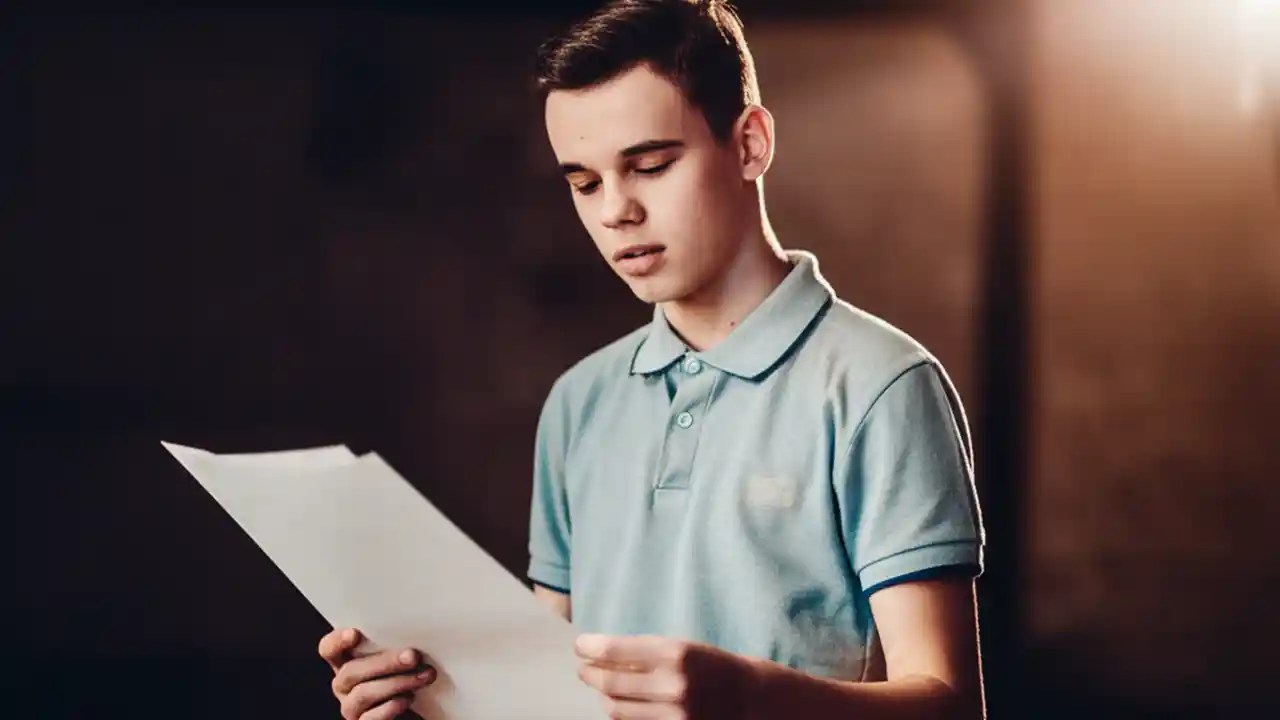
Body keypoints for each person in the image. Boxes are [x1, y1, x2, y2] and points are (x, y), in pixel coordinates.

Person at [318, 1, 987, 718]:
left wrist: (753, 700)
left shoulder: (881, 387)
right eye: (584, 183)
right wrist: (425, 702)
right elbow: (549, 702)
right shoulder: (580, 401)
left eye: (651, 165)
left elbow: (950, 706)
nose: (615, 212)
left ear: (751, 143)